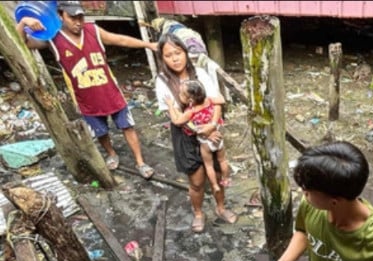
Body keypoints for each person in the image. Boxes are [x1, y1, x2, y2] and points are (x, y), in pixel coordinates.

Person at [16, 0, 156, 179]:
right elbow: (22, 44)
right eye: (72, 17)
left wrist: (148, 45)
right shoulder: (53, 39)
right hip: (86, 99)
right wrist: (23, 22)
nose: (78, 22)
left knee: (127, 127)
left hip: (110, 93)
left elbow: (120, 39)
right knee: (101, 132)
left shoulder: (93, 31)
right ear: (60, 16)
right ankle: (112, 154)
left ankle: (140, 162)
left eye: (80, 17)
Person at [155, 34, 237, 232]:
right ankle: (199, 212)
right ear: (162, 58)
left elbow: (216, 101)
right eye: (168, 55)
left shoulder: (200, 73)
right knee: (197, 180)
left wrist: (212, 124)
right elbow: (177, 118)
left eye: (178, 52)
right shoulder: (163, 81)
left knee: (217, 173)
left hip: (210, 128)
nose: (175, 58)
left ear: (185, 52)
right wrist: (202, 131)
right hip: (186, 135)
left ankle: (220, 207)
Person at [164, 79, 231, 194]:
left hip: (205, 142)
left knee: (209, 165)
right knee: (223, 161)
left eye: (181, 94)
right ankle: (225, 179)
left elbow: (176, 121)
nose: (179, 95)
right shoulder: (209, 101)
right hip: (218, 138)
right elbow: (221, 100)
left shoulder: (191, 111)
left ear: (190, 100)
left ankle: (215, 185)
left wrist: (170, 105)